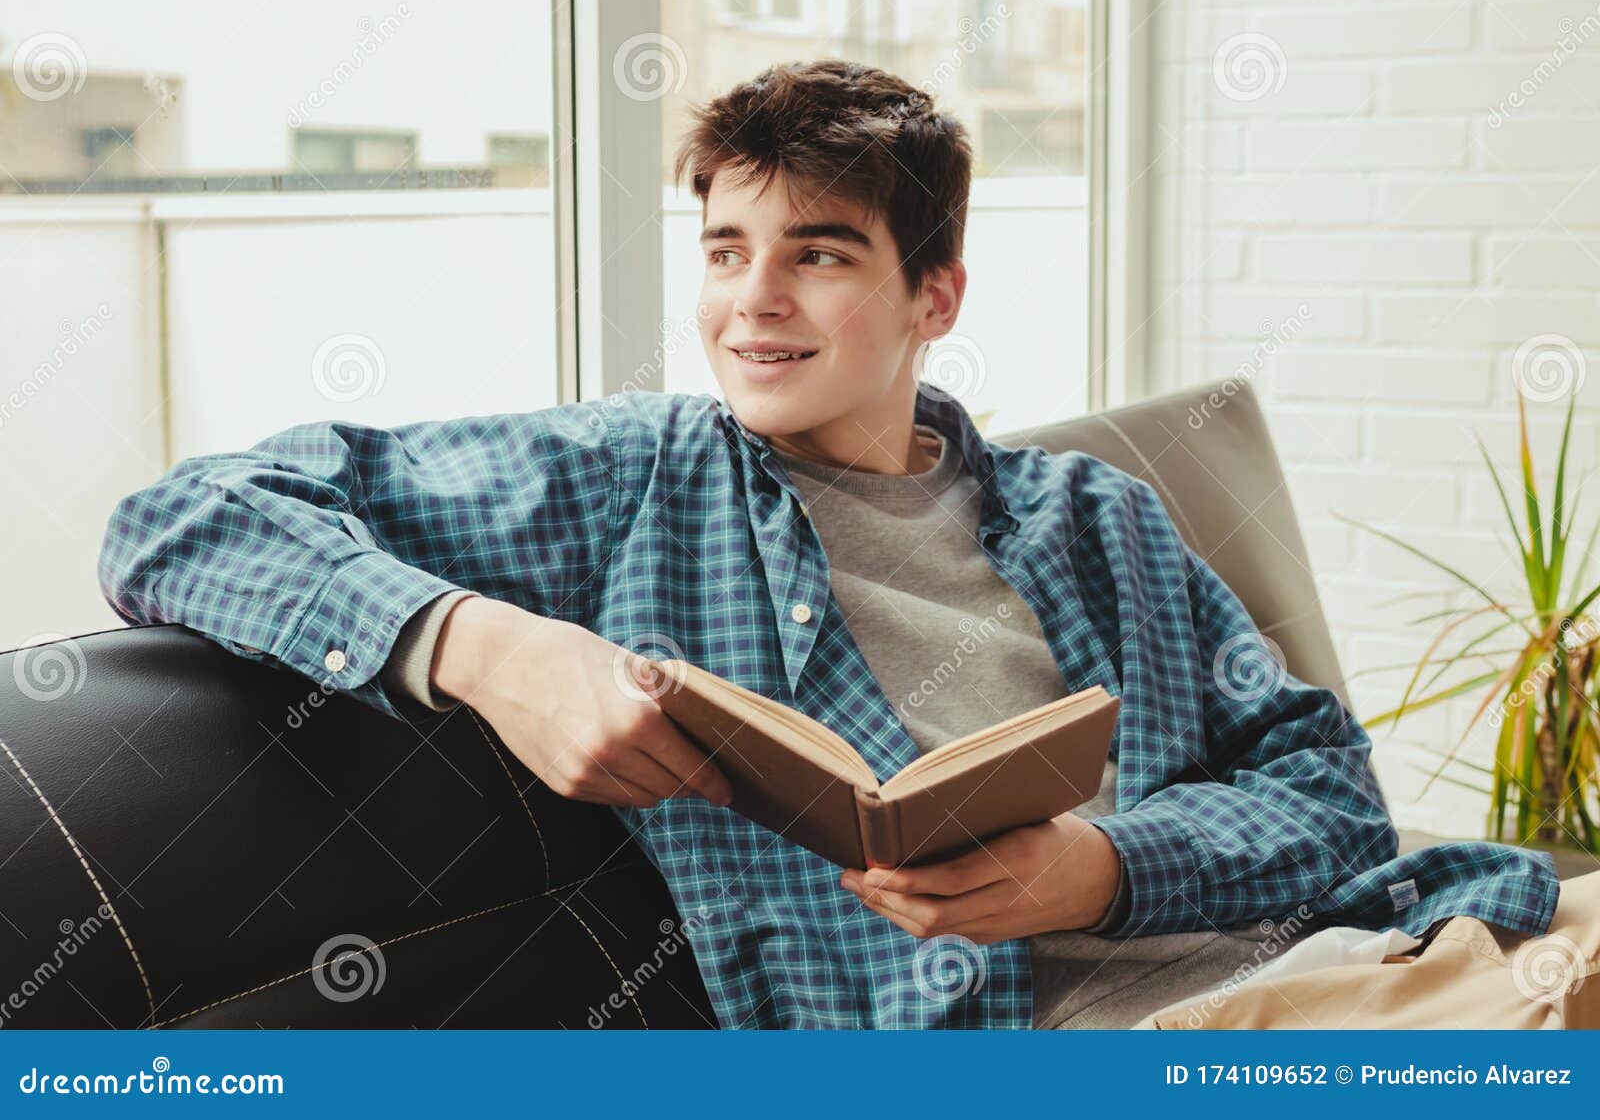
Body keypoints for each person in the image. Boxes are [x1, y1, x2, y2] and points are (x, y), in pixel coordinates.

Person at [97, 58, 1559, 1029]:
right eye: (728, 249)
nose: (753, 302)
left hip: (1371, 950)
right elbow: (183, 518)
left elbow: (1332, 796)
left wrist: (1100, 865)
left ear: (937, 293)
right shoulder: (635, 477)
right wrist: (494, 649)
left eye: (821, 251)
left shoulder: (1096, 514)